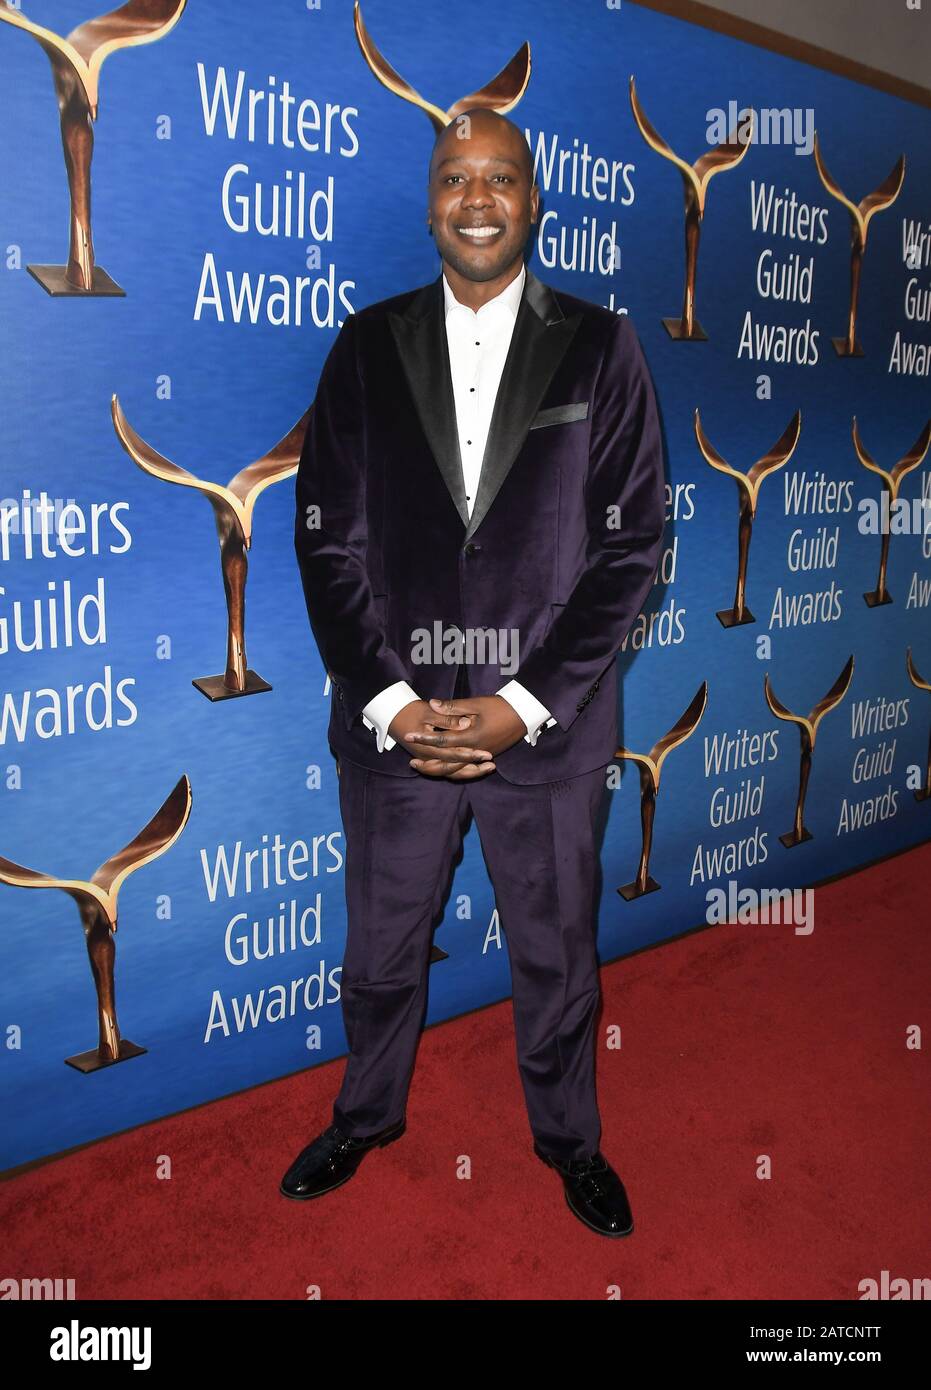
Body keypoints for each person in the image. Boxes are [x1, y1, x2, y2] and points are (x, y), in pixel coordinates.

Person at [284, 108, 666, 1237]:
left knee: (555, 957)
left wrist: (519, 704)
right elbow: (325, 538)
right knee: (380, 949)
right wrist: (397, 704)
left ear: (535, 202)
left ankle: (569, 1142)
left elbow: (629, 547)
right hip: (395, 733)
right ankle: (365, 1114)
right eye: (457, 177)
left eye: (501, 177)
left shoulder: (602, 348)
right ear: (431, 201)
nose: (479, 197)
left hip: (543, 735)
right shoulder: (365, 344)